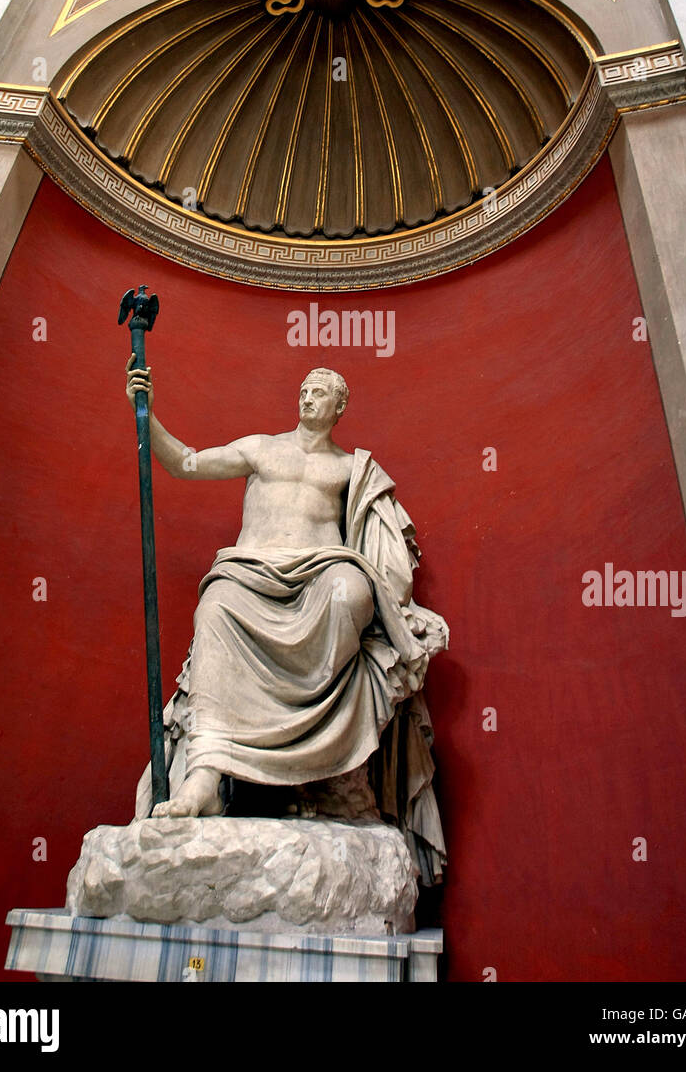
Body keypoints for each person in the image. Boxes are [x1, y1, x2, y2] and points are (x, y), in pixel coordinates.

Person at [125, 359, 448, 881]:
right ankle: (205, 777)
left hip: (324, 573)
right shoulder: (261, 448)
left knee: (348, 593)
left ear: (339, 407)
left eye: (319, 392)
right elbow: (185, 462)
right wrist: (147, 412)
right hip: (250, 575)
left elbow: (383, 543)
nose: (307, 398)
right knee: (215, 606)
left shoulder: (353, 469)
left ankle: (315, 767)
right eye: (303, 389)